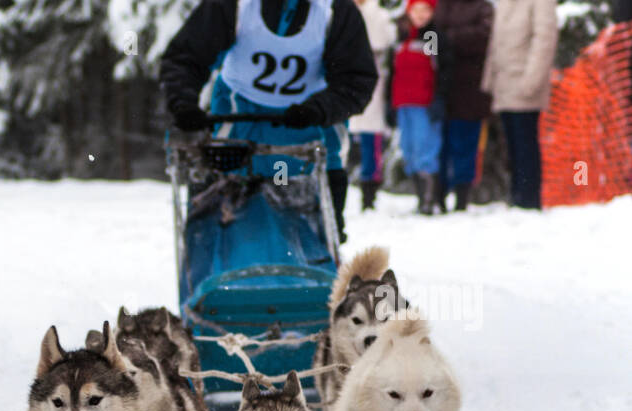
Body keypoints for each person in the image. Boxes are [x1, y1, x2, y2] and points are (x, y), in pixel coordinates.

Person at [160, 0, 378, 241]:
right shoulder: (234, 6)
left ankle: (322, 246)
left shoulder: (335, 11)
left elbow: (356, 80)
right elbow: (187, 57)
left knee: (315, 220)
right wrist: (183, 104)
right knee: (225, 216)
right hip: (238, 115)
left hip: (310, 123)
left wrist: (319, 109)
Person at [481, 0, 558, 209]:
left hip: (524, 83)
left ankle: (528, 199)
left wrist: (532, 80)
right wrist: (489, 79)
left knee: (525, 144)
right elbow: (495, 43)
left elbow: (544, 40)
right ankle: (516, 196)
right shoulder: (504, 4)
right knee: (512, 144)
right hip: (504, 83)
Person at [435, 0, 494, 211]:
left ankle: (462, 196)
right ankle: (437, 194)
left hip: (471, 87)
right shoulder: (442, 6)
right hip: (441, 85)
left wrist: (449, 38)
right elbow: (430, 38)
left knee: (466, 143)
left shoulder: (483, 8)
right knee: (439, 145)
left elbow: (483, 38)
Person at [388, 0, 444, 214]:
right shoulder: (401, 37)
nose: (420, 15)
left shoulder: (431, 36)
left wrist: (438, 98)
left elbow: (439, 69)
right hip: (403, 102)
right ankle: (419, 196)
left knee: (425, 151)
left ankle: (429, 200)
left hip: (424, 102)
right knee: (409, 149)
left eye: (425, 10)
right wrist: (389, 104)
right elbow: (392, 73)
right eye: (416, 10)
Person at [350, 0, 398, 210]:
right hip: (343, 81)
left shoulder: (379, 15)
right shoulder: (339, 10)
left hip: (371, 82)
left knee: (370, 139)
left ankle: (369, 191)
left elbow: (385, 40)